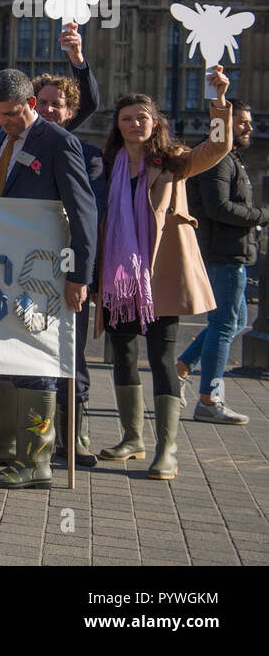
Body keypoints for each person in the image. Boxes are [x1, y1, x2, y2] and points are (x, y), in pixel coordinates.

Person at [95, 73, 232, 481]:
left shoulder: (174, 161)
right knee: (123, 355)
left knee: (161, 358)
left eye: (142, 117)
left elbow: (218, 146)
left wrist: (219, 100)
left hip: (159, 276)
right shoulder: (107, 165)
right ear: (117, 125)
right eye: (127, 118)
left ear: (155, 123)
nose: (135, 124)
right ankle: (132, 438)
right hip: (119, 277)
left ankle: (166, 450)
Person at [0, 70, 97, 489]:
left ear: (30, 104)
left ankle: (36, 462)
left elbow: (83, 212)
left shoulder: (58, 142)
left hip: (42, 272)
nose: (2, 121)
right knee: (12, 358)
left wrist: (79, 276)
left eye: (9, 113)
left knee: (36, 359)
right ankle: (15, 451)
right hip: (0, 269)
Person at [31, 72, 107, 466]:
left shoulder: (87, 154)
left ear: (70, 111)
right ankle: (25, 432)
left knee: (71, 352)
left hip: (65, 269)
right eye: (41, 102)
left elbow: (88, 213)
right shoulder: (11, 146)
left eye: (56, 104)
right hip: (26, 267)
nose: (47, 110)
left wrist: (81, 276)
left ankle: (73, 435)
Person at [177, 98, 261, 424]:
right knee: (224, 324)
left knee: (234, 322)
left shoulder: (230, 157)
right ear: (224, 123)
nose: (249, 126)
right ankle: (209, 400)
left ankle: (181, 367)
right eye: (242, 121)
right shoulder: (219, 159)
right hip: (223, 254)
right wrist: (261, 216)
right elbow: (218, 208)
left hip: (232, 252)